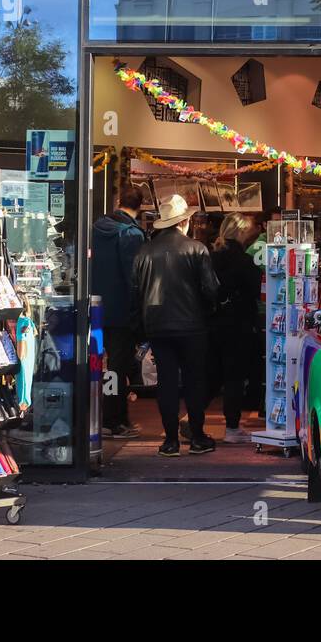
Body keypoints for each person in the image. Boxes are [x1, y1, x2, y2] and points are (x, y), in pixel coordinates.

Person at [130, 194, 221, 457]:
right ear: (185, 221)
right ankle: (197, 437)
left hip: (157, 324)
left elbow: (135, 292)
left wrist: (139, 326)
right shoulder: (196, 248)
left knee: (166, 383)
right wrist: (209, 311)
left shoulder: (144, 251)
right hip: (192, 325)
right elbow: (210, 289)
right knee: (194, 381)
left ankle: (170, 440)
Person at [90, 184, 146, 439]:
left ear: (118, 201)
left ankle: (105, 416)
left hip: (96, 306)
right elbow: (133, 277)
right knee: (117, 366)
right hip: (122, 310)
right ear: (140, 206)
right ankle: (114, 420)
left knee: (100, 363)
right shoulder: (131, 235)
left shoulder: (96, 228)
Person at [209, 213, 263, 444]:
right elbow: (253, 293)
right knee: (234, 377)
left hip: (211, 323)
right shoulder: (244, 261)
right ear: (241, 232)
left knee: (212, 375)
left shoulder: (210, 256)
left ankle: (193, 417)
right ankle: (232, 427)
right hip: (238, 324)